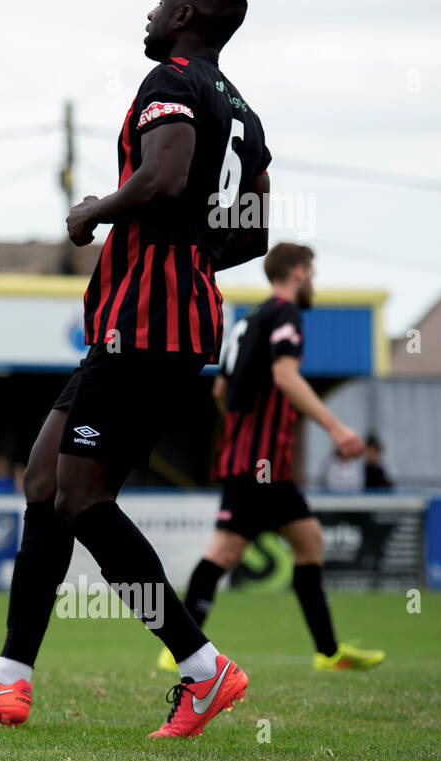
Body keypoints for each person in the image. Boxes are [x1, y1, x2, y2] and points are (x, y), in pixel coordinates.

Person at [0, 0, 269, 737]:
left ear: (183, 14)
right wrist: (191, 258)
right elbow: (254, 233)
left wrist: (93, 213)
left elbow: (165, 175)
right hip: (158, 316)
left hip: (148, 319)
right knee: (46, 482)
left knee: (82, 497)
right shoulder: (244, 113)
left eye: (157, 4)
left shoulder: (168, 80)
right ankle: (8, 680)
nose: (147, 16)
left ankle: (202, 668)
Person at [158, 244, 384, 673]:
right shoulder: (285, 313)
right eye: (312, 271)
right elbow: (284, 375)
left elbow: (220, 393)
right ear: (298, 272)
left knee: (307, 540)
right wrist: (336, 428)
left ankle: (327, 651)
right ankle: (179, 649)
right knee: (225, 552)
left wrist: (246, 432)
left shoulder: (245, 322)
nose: (313, 280)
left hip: (252, 461)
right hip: (263, 463)